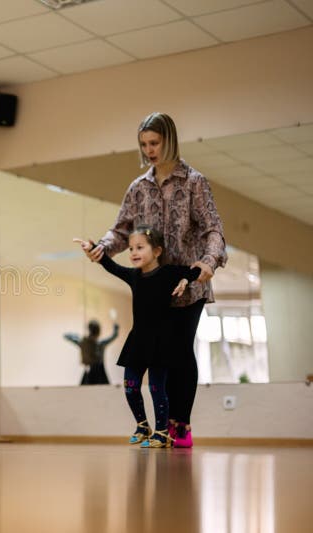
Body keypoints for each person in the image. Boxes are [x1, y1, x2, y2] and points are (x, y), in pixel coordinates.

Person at [81, 112, 227, 448]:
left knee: (179, 350)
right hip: (154, 285)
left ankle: (181, 424)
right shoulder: (138, 187)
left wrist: (208, 261)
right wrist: (101, 247)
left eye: (155, 143)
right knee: (159, 355)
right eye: (144, 144)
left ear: (169, 140)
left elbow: (213, 229)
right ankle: (161, 425)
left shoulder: (194, 181)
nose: (149, 150)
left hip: (189, 282)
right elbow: (120, 230)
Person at [75, 226, 201, 448]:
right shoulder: (134, 276)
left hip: (161, 342)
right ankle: (143, 425)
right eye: (131, 248)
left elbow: (193, 271)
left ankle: (161, 431)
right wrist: (94, 248)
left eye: (140, 247)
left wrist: (184, 280)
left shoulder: (168, 272)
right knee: (131, 386)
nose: (133, 252)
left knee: (156, 388)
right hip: (138, 341)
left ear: (157, 251)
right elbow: (111, 266)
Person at [63, 320, 119, 385]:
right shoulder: (99, 343)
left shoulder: (84, 342)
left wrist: (77, 336)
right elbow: (114, 335)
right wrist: (116, 328)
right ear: (98, 331)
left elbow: (67, 336)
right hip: (99, 374)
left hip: (90, 373)